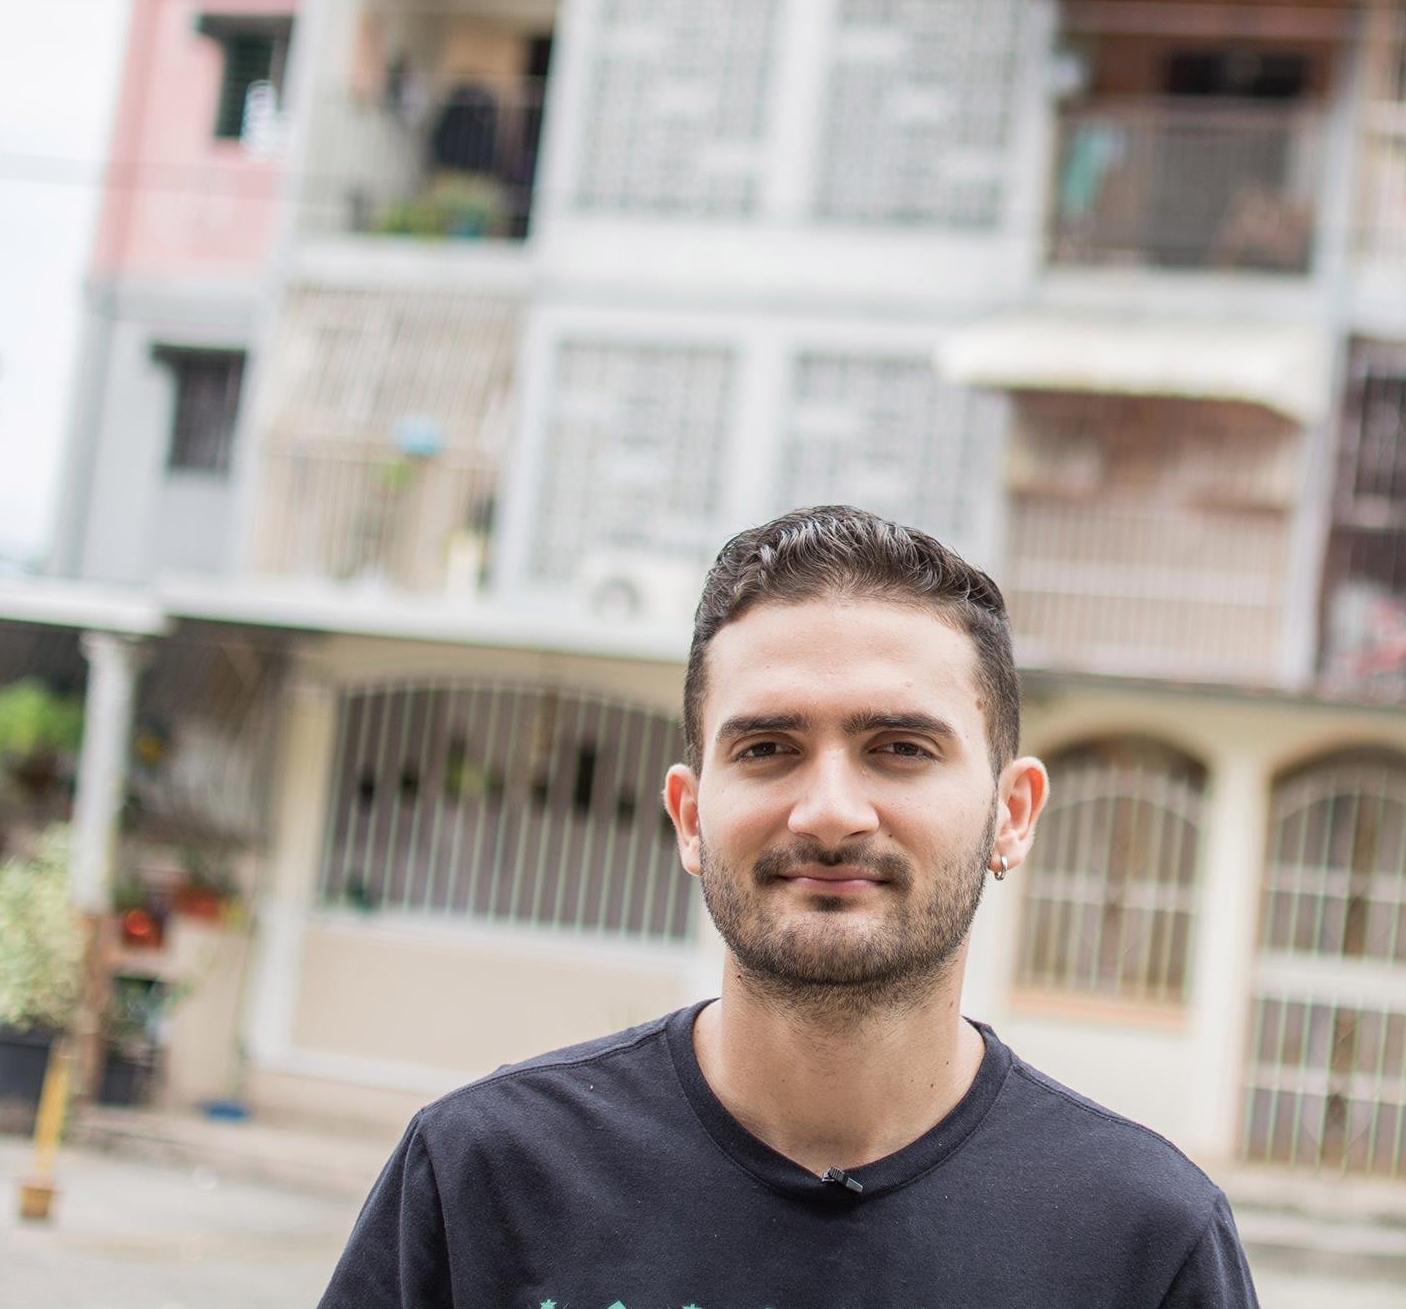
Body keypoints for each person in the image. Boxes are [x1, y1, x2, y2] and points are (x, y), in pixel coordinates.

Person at [318, 505, 1259, 1309]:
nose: (831, 813)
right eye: (768, 748)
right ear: (690, 816)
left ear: (1010, 815)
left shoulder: (1145, 1244)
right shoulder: (488, 1178)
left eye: (901, 747)